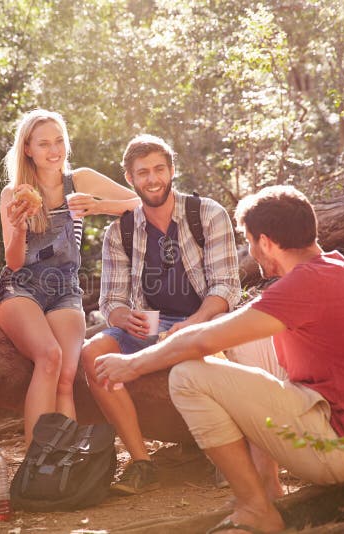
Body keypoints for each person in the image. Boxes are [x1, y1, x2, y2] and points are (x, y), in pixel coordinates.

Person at [93, 185, 344, 533]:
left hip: (340, 449)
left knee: (187, 375)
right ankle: (268, 486)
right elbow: (226, 333)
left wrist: (132, 364)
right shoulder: (329, 270)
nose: (251, 252)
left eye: (249, 242)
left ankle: (254, 506)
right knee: (244, 344)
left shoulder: (307, 284)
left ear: (267, 242)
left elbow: (203, 338)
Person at [80, 134, 241, 495]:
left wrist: (194, 324)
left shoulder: (207, 214)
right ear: (129, 179)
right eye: (143, 173)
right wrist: (122, 317)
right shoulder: (119, 230)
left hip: (204, 320)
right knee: (93, 354)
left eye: (158, 169)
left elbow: (227, 289)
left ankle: (227, 457)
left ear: (171, 171)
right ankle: (142, 463)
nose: (152, 179)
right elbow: (111, 301)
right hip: (151, 325)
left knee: (205, 356)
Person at [0, 109, 140, 447]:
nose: (54, 150)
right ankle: (35, 460)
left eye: (59, 141)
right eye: (44, 144)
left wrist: (99, 206)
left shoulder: (80, 181)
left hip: (65, 290)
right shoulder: (13, 194)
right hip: (21, 287)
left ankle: (61, 466)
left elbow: (139, 203)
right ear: (27, 149)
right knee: (49, 357)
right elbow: (14, 262)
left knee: (67, 379)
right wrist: (17, 228)